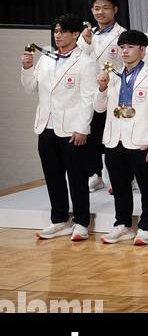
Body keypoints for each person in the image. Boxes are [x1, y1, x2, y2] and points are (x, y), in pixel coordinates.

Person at [23, 15, 96, 241]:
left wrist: (82, 128)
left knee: (76, 177)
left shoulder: (86, 62)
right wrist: (27, 68)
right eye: (55, 31)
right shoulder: (46, 59)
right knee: (52, 176)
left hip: (72, 128)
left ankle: (81, 222)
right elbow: (31, 88)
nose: (58, 35)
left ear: (75, 34)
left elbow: (88, 99)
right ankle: (59, 220)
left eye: (63, 31)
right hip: (45, 126)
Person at [94, 30, 148, 245]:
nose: (125, 51)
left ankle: (147, 226)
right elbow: (99, 108)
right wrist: (102, 88)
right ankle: (122, 224)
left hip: (141, 139)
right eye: (122, 47)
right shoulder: (114, 75)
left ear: (143, 50)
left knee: (146, 185)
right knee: (118, 185)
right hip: (115, 138)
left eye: (130, 47)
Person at [78, 0, 126, 193]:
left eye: (106, 7)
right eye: (96, 8)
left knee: (116, 138)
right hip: (90, 92)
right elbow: (79, 61)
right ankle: (95, 174)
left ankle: (121, 177)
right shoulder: (86, 36)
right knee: (91, 135)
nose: (100, 12)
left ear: (115, 10)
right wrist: (87, 43)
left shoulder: (123, 34)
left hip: (114, 92)